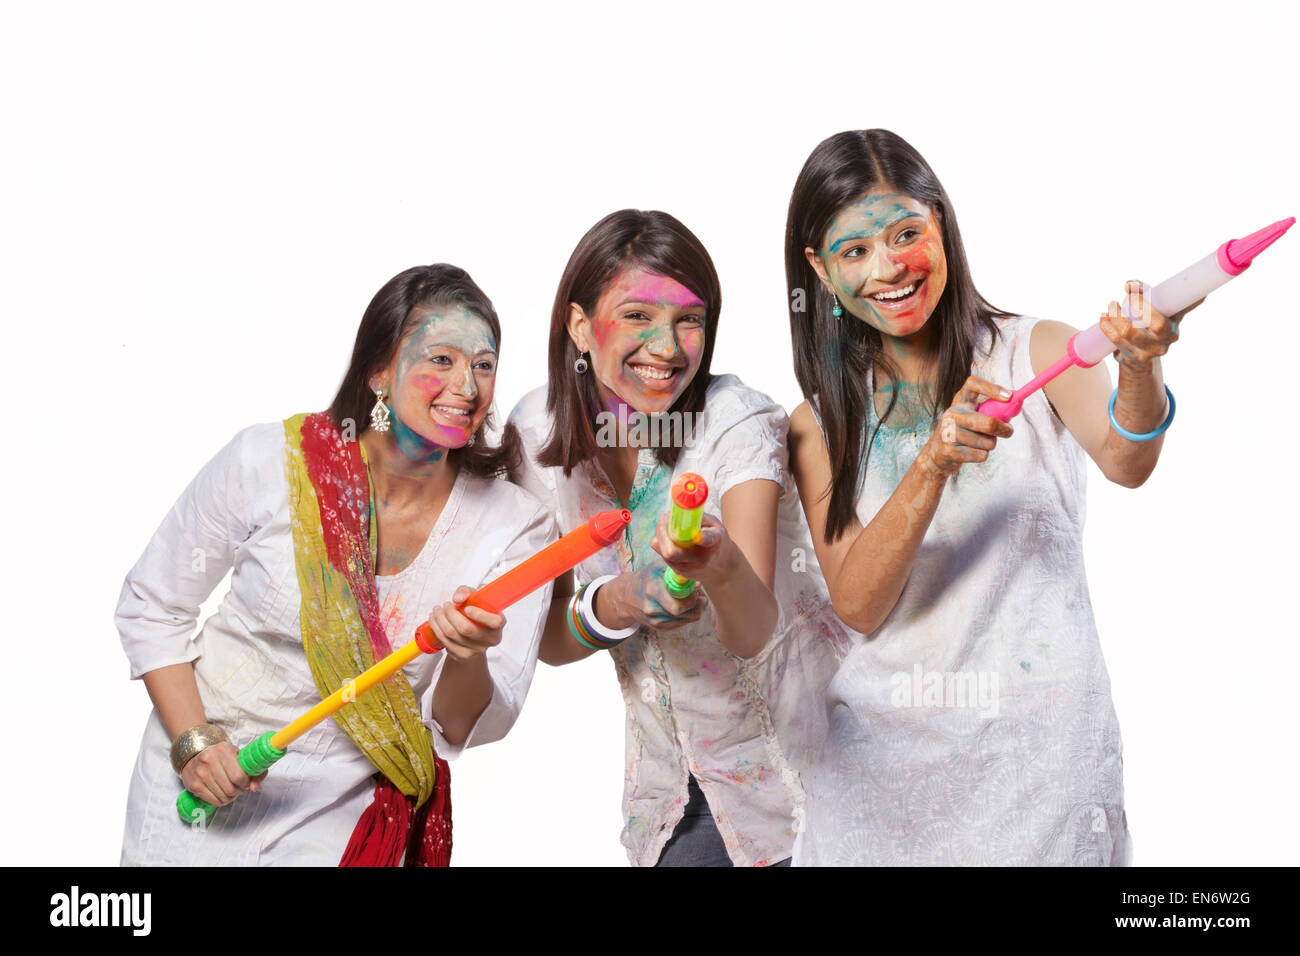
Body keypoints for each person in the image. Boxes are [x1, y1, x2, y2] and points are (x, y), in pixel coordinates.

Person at [784, 129, 1192, 866]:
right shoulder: (818, 427)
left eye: (908, 232)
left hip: (1042, 780)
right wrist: (932, 463)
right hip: (881, 799)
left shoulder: (1040, 350)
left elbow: (1128, 462)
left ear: (940, 221)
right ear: (818, 269)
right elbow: (860, 602)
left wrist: (1139, 366)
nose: (891, 268)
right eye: (854, 251)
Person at [116, 263, 554, 866]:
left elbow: (461, 725)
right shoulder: (272, 461)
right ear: (380, 373)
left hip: (345, 813)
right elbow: (153, 604)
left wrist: (469, 651)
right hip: (200, 789)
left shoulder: (514, 526)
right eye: (441, 359)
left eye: (483, 364)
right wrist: (195, 744)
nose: (468, 385)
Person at [506, 209, 848, 867]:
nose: (667, 347)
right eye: (636, 316)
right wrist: (621, 603)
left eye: (689, 320)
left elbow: (751, 630)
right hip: (671, 795)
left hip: (802, 783)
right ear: (580, 325)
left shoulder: (735, 420)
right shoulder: (536, 435)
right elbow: (543, 639)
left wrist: (718, 565)